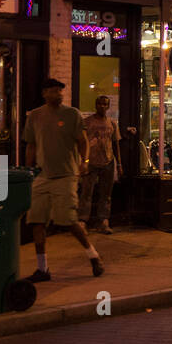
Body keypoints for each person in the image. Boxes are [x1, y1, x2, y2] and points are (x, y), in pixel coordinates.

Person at [23, 79, 103, 281]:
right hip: (41, 175)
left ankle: (93, 255)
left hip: (66, 175)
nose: (58, 94)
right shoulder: (35, 116)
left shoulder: (72, 114)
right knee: (36, 221)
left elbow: (82, 141)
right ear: (44, 94)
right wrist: (28, 169)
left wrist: (84, 162)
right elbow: (30, 145)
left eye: (60, 91)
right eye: (53, 91)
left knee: (68, 221)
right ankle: (43, 269)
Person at [77, 95, 121, 235]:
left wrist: (119, 164)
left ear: (108, 106)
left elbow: (116, 144)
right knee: (86, 192)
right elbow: (81, 142)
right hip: (91, 161)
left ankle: (103, 221)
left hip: (107, 160)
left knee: (106, 193)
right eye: (100, 104)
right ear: (96, 105)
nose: (102, 106)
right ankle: (83, 221)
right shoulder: (87, 122)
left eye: (105, 104)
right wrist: (83, 160)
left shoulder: (112, 123)